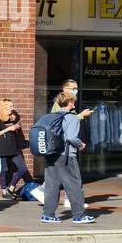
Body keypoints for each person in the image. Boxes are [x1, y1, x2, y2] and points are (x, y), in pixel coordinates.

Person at [41, 91, 95, 225]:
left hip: (51, 155)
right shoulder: (71, 118)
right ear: (70, 103)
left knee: (51, 186)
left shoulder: (51, 116)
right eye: (73, 101)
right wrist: (80, 144)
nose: (74, 103)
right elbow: (71, 137)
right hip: (66, 156)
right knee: (74, 185)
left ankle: (48, 215)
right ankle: (79, 216)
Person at [0, 99, 32, 199]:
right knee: (3, 170)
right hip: (2, 149)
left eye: (12, 106)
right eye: (10, 106)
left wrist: (16, 127)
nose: (12, 108)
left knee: (23, 168)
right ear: (3, 107)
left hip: (14, 148)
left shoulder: (14, 117)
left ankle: (11, 188)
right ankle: (4, 192)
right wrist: (8, 129)